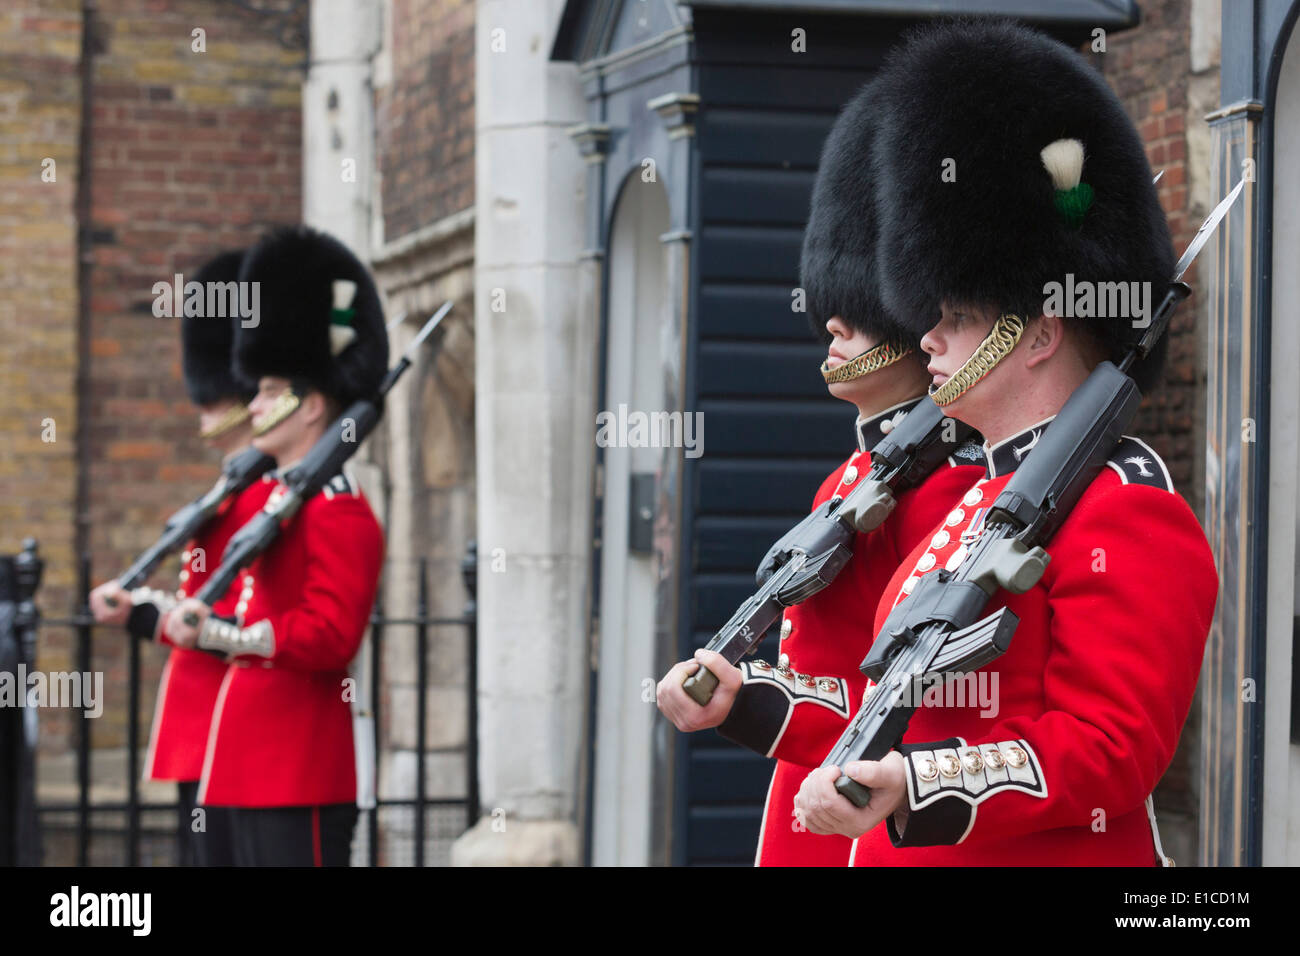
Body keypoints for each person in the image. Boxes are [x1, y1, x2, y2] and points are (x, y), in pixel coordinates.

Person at [792, 19, 1217, 866]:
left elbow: (1111, 748)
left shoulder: (1127, 507)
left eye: (955, 317)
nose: (928, 338)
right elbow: (878, 693)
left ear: (1037, 334)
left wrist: (921, 783)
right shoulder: (975, 499)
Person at [655, 79, 986, 866]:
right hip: (804, 798)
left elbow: (900, 698)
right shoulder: (852, 476)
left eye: (868, 302)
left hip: (856, 810)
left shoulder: (946, 488)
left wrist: (752, 697)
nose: (835, 321)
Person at [162, 226, 387, 866]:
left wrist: (225, 635)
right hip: (248, 758)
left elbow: (331, 635)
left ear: (312, 405)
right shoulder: (284, 499)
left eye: (268, 392)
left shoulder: (337, 508)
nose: (253, 406)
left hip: (301, 766)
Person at [88, 249, 270, 866]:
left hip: (236, 731)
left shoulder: (264, 502)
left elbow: (238, 619)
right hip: (205, 730)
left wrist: (151, 616)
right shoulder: (231, 494)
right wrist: (142, 606)